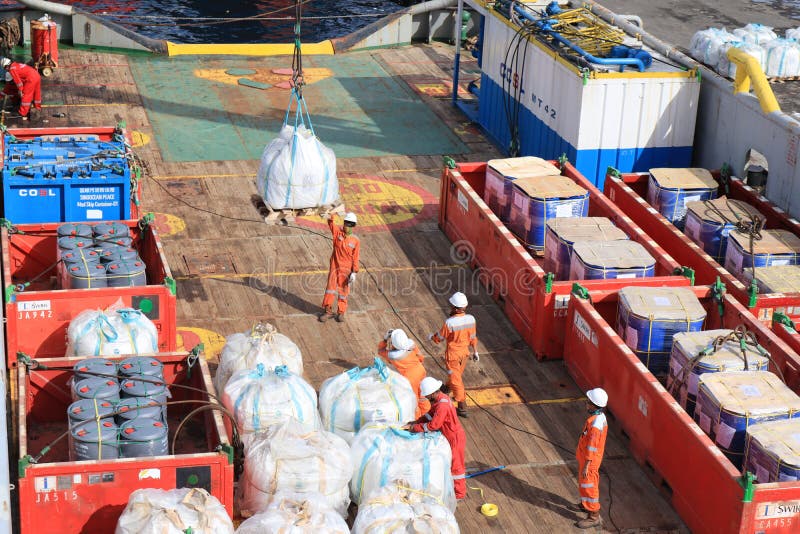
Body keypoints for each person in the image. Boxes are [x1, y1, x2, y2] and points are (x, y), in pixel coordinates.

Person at [405, 376, 466, 500]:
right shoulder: (441, 399)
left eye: (427, 395)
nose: (426, 397)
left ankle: (459, 494)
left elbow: (433, 425)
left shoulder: (442, 406)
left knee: (456, 466)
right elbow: (429, 415)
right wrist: (416, 422)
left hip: (454, 438)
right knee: (451, 463)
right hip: (450, 435)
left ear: (433, 393)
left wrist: (414, 428)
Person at [428, 291, 478, 418]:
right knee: (456, 376)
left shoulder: (450, 323)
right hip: (464, 355)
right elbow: (473, 337)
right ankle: (446, 388)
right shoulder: (471, 319)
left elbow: (439, 338)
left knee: (456, 381)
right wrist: (475, 351)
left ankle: (462, 407)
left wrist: (432, 337)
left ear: (455, 308)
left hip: (452, 357)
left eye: (451, 305)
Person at [575, 387, 609, 529]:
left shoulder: (595, 426)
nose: (586, 403)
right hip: (586, 459)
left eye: (588, 402)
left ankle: (594, 516)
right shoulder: (598, 418)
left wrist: (587, 466)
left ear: (594, 405)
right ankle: (585, 504)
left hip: (589, 462)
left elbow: (592, 447)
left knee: (589, 486)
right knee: (584, 484)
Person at [378, 328, 431, 418]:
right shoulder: (411, 344)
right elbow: (421, 358)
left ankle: (416, 417)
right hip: (421, 371)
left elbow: (380, 351)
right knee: (422, 393)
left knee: (414, 399)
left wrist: (385, 339)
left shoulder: (393, 355)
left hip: (411, 379)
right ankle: (426, 410)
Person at [319, 212, 359, 323]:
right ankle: (327, 311)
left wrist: (354, 272)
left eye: (350, 224)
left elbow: (355, 257)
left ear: (354, 226)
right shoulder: (337, 233)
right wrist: (332, 213)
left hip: (346, 270)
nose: (348, 226)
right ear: (344, 223)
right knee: (330, 289)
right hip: (334, 266)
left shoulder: (355, 241)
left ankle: (341, 312)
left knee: (343, 291)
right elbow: (330, 222)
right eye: (346, 223)